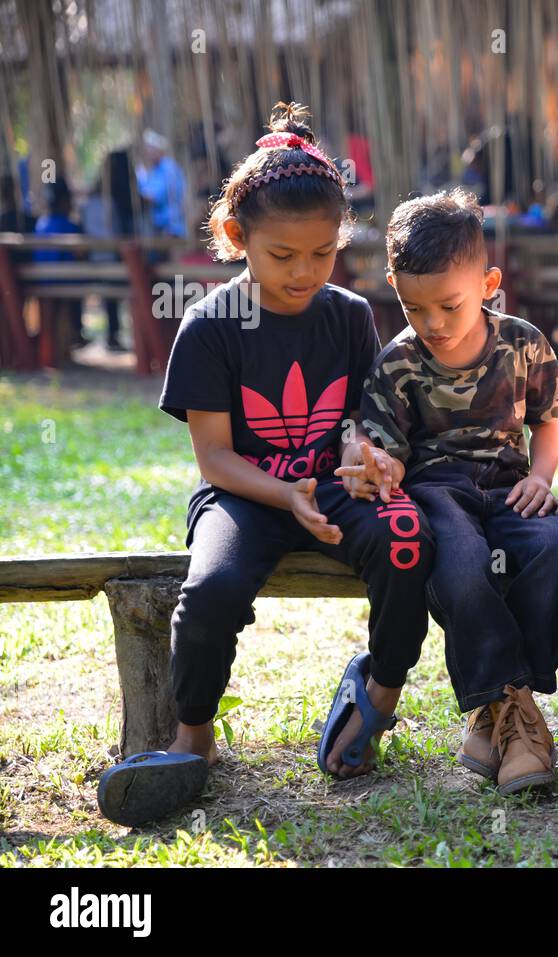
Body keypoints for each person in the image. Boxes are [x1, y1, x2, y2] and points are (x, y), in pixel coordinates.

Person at [95, 102, 436, 828]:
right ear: (235, 236)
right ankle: (193, 737)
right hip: (246, 495)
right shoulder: (211, 325)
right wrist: (287, 495)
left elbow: (360, 418)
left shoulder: (346, 314)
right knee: (211, 587)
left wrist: (360, 455)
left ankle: (377, 695)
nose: (305, 272)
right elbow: (215, 458)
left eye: (322, 253)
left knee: (409, 541)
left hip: (332, 491)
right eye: (283, 256)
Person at [358, 188, 558, 795]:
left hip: (511, 488)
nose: (431, 324)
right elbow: (384, 449)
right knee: (460, 568)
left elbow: (549, 420)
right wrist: (377, 465)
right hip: (438, 495)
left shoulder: (522, 342)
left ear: (488, 284)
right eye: (413, 307)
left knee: (555, 551)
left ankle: (500, 707)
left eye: (449, 307)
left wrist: (541, 477)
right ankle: (519, 720)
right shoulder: (398, 364)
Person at [81, 151, 136, 351]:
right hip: (115, 261)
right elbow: (123, 235)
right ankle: (131, 335)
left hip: (95, 261)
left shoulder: (90, 201)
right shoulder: (119, 202)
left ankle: (114, 333)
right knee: (143, 280)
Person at [33, 179, 86, 349]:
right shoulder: (68, 226)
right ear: (65, 201)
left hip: (41, 281)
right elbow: (79, 255)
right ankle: (76, 332)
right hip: (63, 282)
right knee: (80, 282)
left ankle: (67, 340)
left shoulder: (41, 224)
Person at [136, 129, 188, 238]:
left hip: (171, 227)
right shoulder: (154, 170)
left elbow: (154, 196)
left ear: (159, 150)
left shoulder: (168, 169)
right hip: (158, 227)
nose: (148, 152)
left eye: (151, 148)